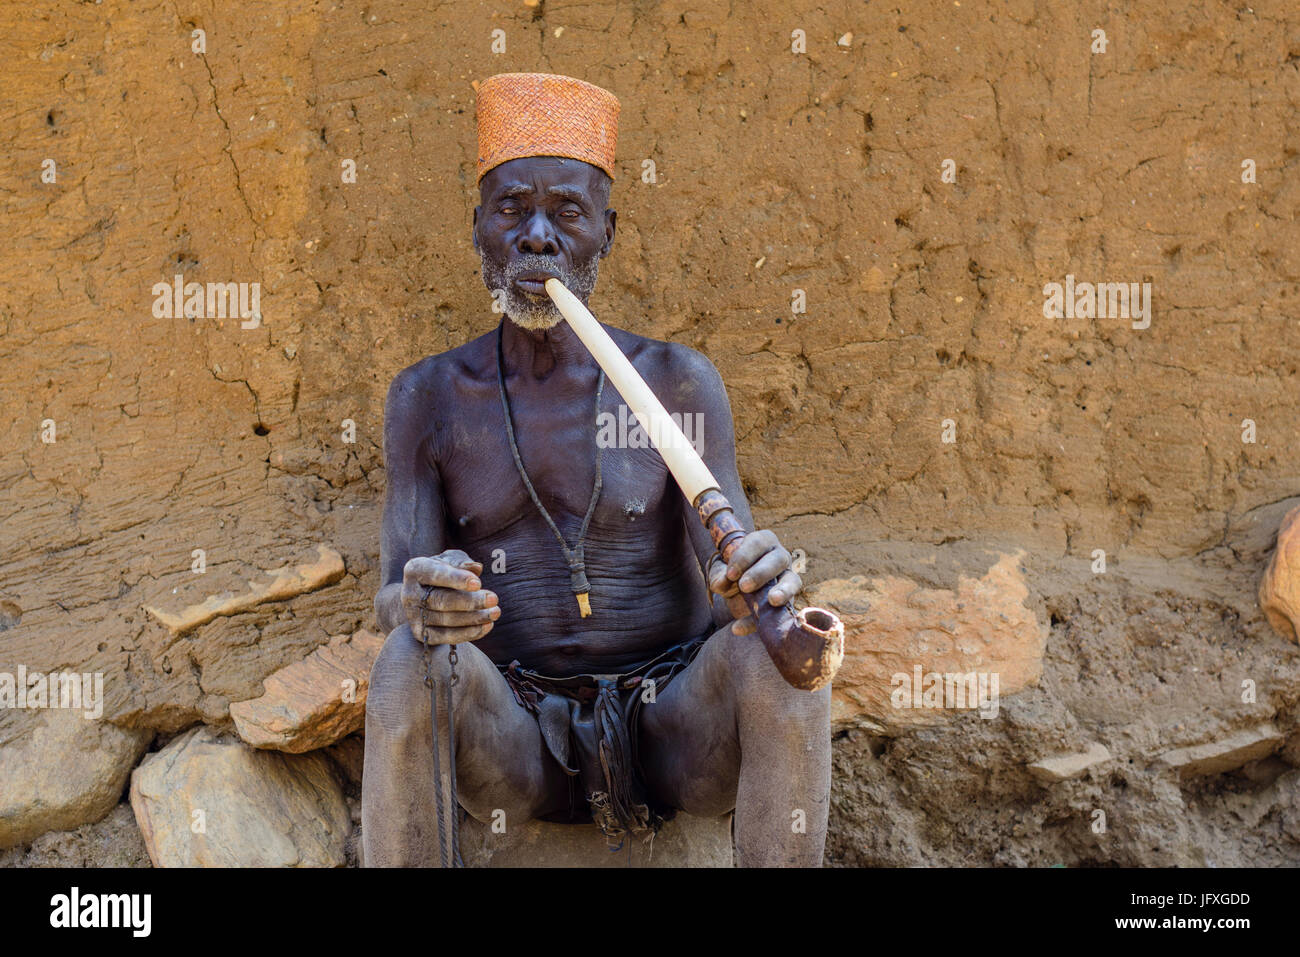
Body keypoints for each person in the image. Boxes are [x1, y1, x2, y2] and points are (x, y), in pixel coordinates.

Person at [362, 73, 830, 867]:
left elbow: (734, 585)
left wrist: (762, 576)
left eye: (567, 213)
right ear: (477, 227)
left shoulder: (678, 382)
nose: (536, 237)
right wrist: (419, 597)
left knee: (775, 660)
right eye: (511, 209)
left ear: (606, 234)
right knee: (409, 661)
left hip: (672, 732)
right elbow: (389, 597)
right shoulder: (430, 397)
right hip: (516, 737)